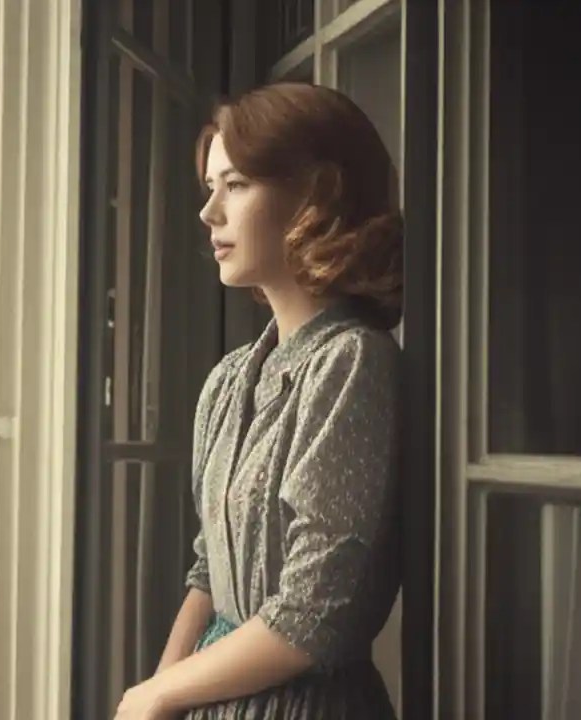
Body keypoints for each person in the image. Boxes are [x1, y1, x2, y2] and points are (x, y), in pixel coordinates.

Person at [115, 83, 404, 719]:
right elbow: (207, 569)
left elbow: (315, 613)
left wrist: (160, 693)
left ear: (316, 196)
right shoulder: (228, 380)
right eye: (210, 186)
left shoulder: (352, 362)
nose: (208, 212)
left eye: (237, 185)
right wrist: (154, 694)